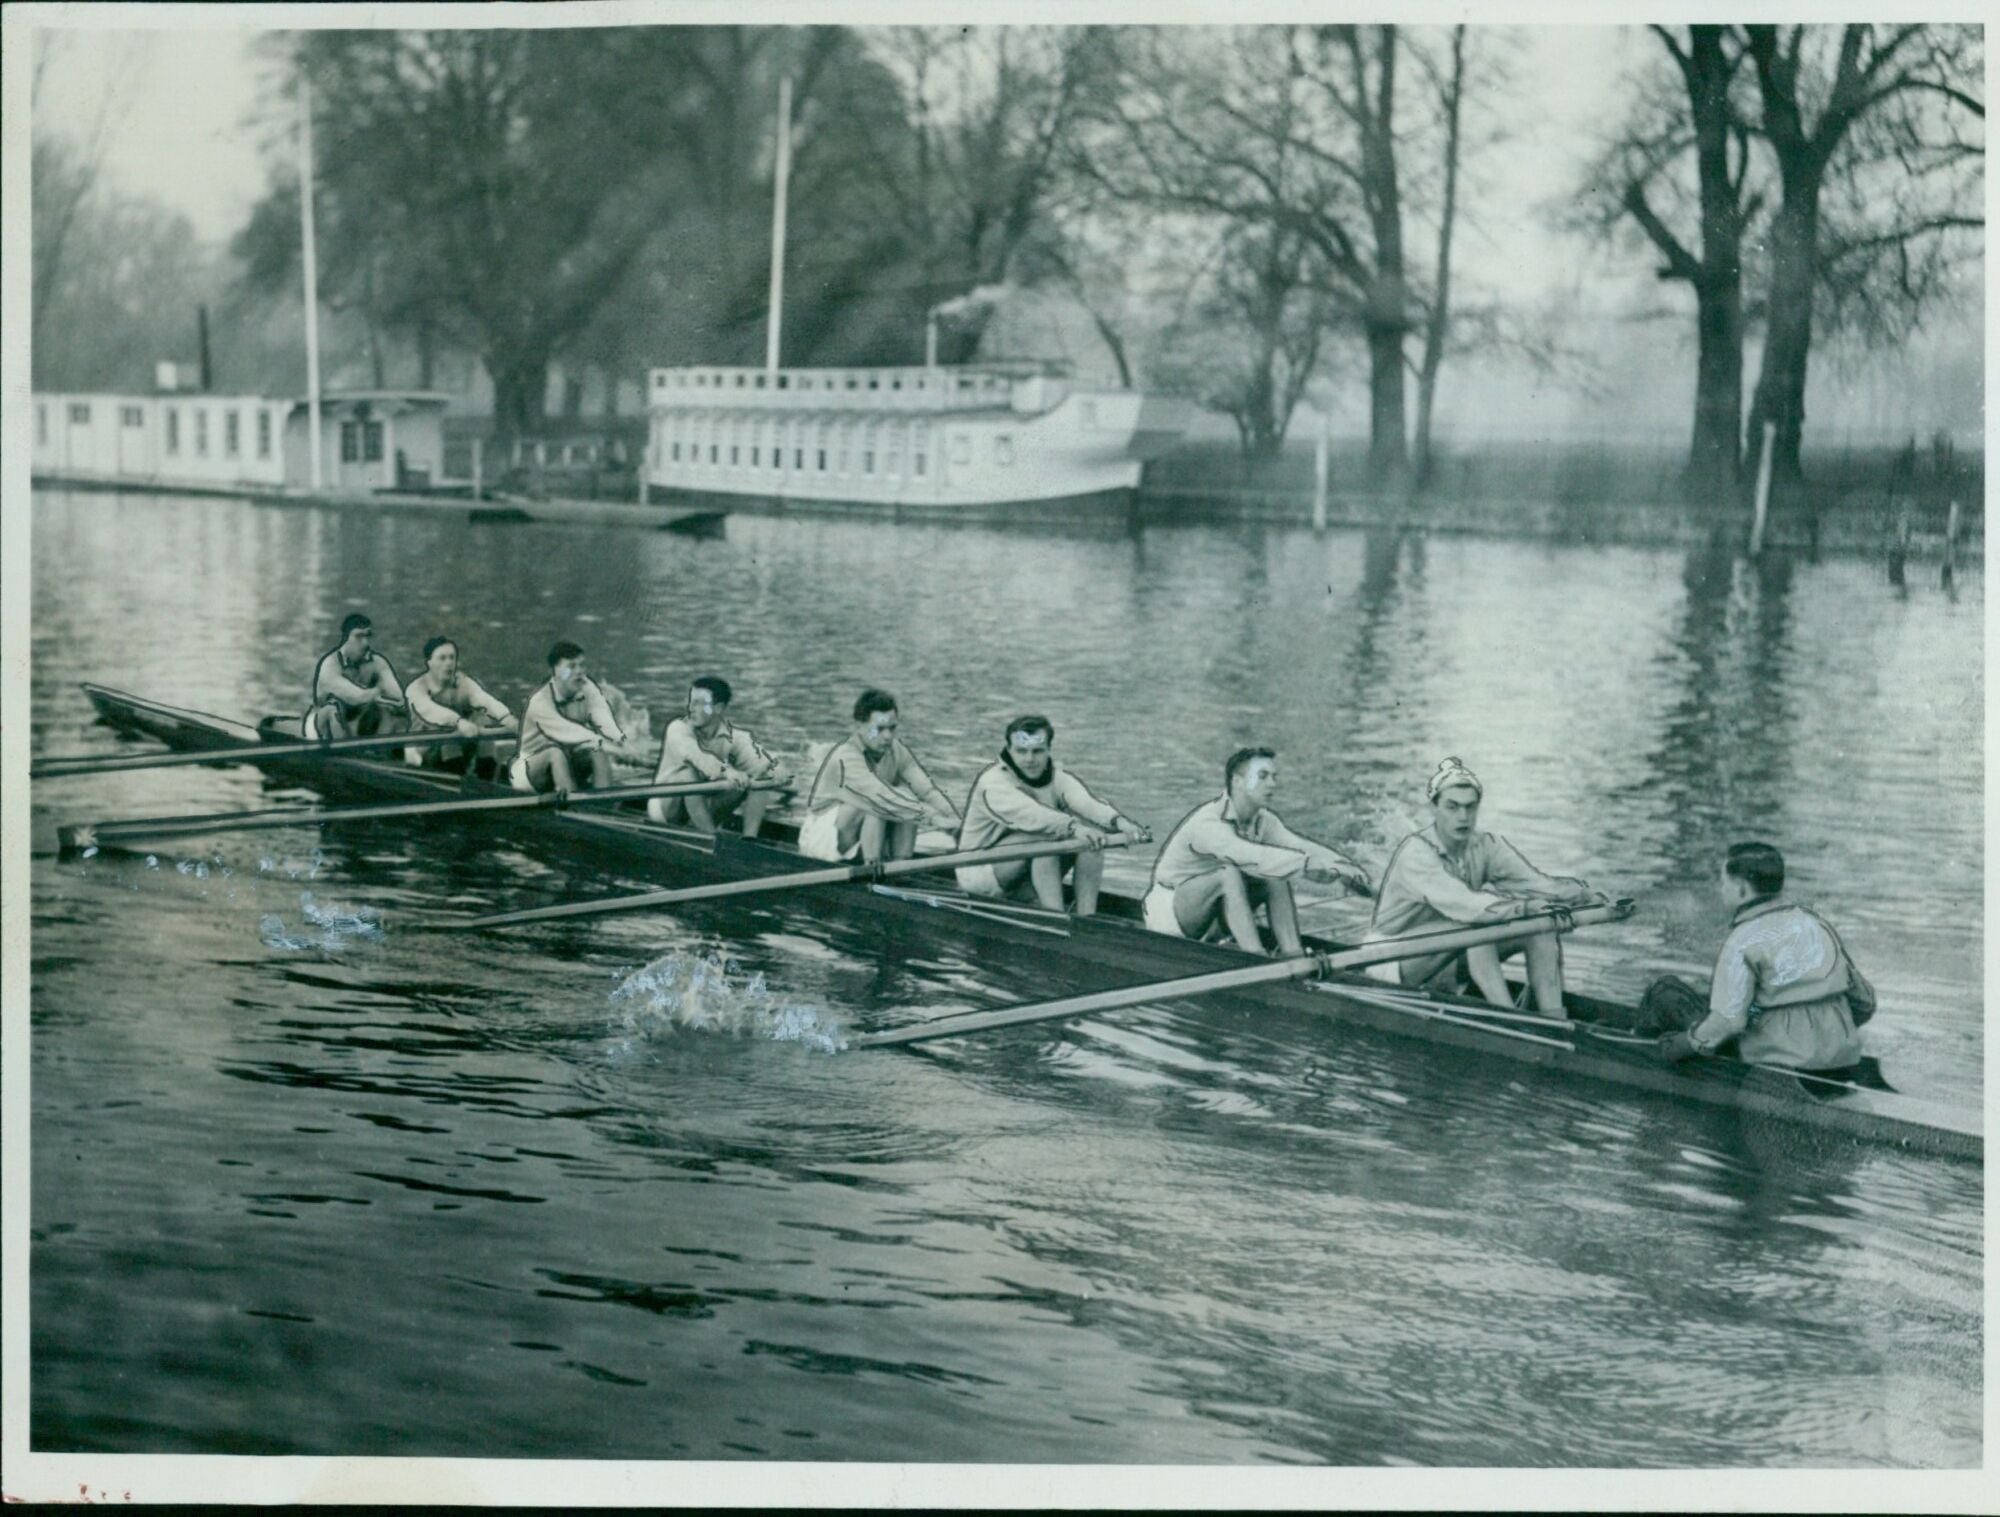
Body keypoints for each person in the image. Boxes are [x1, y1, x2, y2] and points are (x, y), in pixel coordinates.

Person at [1367, 757, 1602, 1015]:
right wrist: (1525, 907)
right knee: (1478, 922)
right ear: (1434, 809)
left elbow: (1538, 885)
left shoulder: (1486, 846)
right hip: (1388, 961)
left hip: (1449, 952)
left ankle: (1553, 1017)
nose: (1463, 817)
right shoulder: (1416, 853)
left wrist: (1582, 895)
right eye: (1452, 807)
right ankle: (1507, 1017)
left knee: (1540, 927)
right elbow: (1468, 906)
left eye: (1470, 807)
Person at [1651, 842, 1872, 1071]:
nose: (1721, 889)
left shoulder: (1742, 939)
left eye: (1723, 882)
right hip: (1844, 1059)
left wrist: (1682, 1045)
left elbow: (1728, 1022)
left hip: (1778, 1064)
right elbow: (1865, 1002)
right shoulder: (1817, 925)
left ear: (1742, 889)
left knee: (1663, 992)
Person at [1143, 746, 1371, 956]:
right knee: (1229, 873)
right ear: (1237, 781)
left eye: (1274, 777)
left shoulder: (1264, 821)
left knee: (1275, 876)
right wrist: (1308, 865)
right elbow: (1252, 857)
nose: (1272, 784)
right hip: (1168, 913)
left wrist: (1345, 868)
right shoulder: (1209, 823)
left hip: (1212, 913)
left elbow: (1301, 846)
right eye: (1263, 777)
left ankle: (1294, 954)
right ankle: (1255, 956)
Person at [954, 715, 1146, 916]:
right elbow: (1033, 816)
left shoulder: (1057, 778)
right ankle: (1055, 917)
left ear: (1048, 750)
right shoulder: (992, 783)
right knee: (1052, 835)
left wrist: (1121, 822)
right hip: (977, 875)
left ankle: (1086, 917)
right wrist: (1075, 828)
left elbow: (1087, 803)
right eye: (1021, 751)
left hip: (1024, 873)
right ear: (1009, 750)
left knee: (1093, 839)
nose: (1030, 759)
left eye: (1037, 751)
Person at [800, 688, 960, 864]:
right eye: (879, 729)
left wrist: (955, 821)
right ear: (859, 727)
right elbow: (880, 798)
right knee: (879, 805)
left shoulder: (897, 750)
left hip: (865, 827)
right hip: (822, 840)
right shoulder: (846, 757)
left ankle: (900, 866)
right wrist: (934, 818)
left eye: (892, 728)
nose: (888, 737)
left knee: (906, 796)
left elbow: (927, 791)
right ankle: (872, 870)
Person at [647, 675, 791, 837]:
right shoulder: (678, 728)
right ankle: (710, 838)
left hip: (703, 809)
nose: (690, 708)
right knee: (687, 774)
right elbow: (697, 756)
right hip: (665, 810)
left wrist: (778, 768)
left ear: (718, 708)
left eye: (699, 703)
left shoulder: (734, 737)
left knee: (760, 776)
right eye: (691, 701)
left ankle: (750, 839)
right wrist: (728, 771)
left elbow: (762, 759)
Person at [517, 639, 624, 795]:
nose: (579, 672)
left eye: (582, 665)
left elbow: (606, 724)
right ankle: (573, 809)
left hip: (568, 764)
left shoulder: (586, 688)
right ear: (556, 670)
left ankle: (604, 802)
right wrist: (618, 751)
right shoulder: (540, 702)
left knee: (597, 749)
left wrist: (624, 745)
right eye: (571, 666)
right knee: (556, 753)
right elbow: (570, 732)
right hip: (531, 771)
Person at [403, 635, 518, 774]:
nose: (449, 663)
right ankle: (460, 781)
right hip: (423, 754)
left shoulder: (463, 682)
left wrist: (506, 717)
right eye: (442, 658)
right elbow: (431, 711)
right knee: (450, 730)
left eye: (452, 657)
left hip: (458, 747)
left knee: (482, 720)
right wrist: (458, 721)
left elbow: (483, 699)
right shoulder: (415, 689)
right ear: (429, 663)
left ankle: (486, 778)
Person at [304, 612, 405, 739]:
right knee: (333, 709)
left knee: (389, 712)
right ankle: (344, 753)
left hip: (354, 722)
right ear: (346, 638)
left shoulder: (378, 662)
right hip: (321, 726)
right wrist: (380, 692)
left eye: (368, 636)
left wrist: (399, 705)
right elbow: (358, 697)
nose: (365, 643)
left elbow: (399, 697)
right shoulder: (330, 664)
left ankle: (382, 752)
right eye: (359, 636)